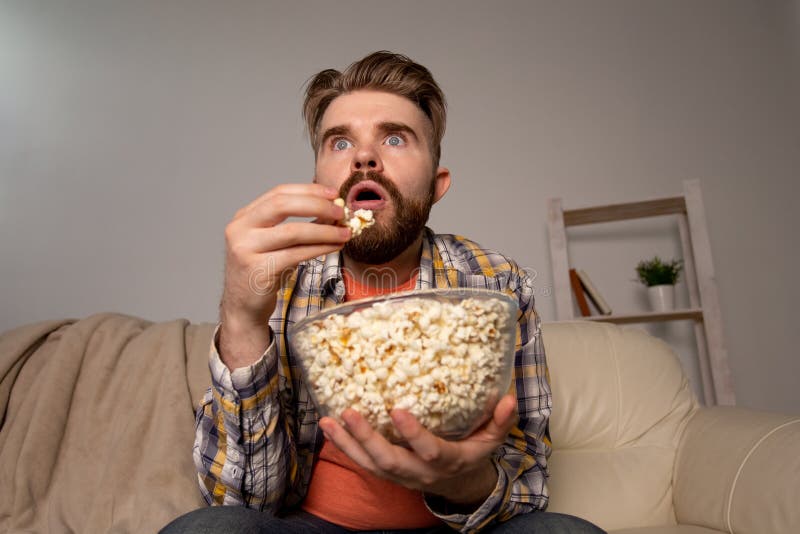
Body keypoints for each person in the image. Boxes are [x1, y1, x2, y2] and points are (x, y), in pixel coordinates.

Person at [161, 51, 604, 534]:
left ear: (436, 185)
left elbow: (528, 483)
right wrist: (242, 320)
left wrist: (459, 479)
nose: (364, 157)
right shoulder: (276, 283)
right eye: (340, 142)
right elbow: (243, 501)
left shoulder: (497, 282)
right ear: (318, 184)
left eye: (395, 138)